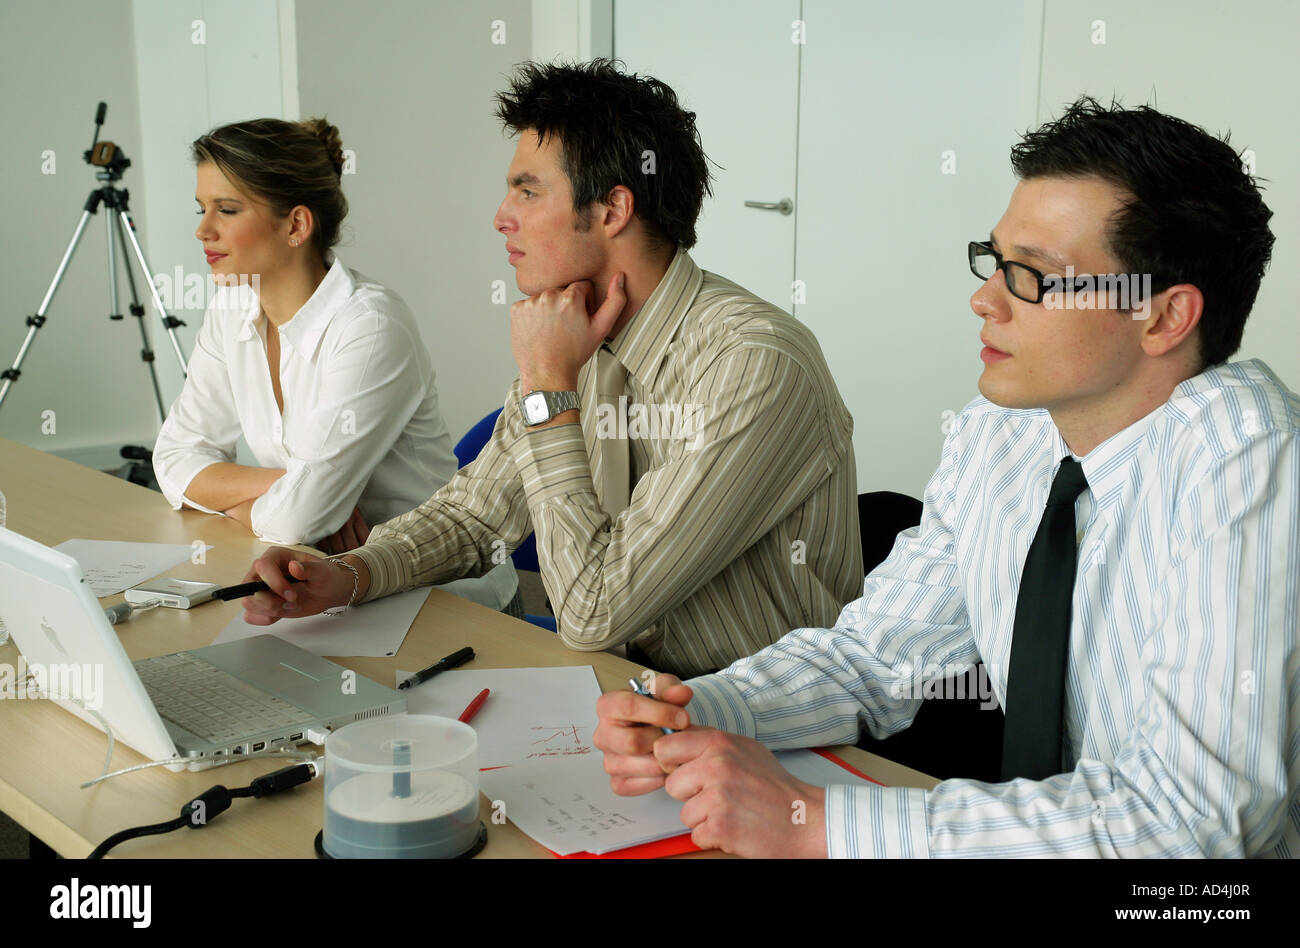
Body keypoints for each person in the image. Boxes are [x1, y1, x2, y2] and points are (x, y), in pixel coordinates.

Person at [595, 97, 1299, 858]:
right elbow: (877, 656)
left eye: (1031, 276)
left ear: (1164, 318)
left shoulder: (1250, 460)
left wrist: (819, 824)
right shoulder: (1003, 429)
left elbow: (1194, 820)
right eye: (995, 260)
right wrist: (704, 707)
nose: (985, 299)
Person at [239, 60, 863, 677]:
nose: (501, 215)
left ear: (614, 210)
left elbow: (595, 610)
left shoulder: (752, 363)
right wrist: (348, 575)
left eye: (528, 191)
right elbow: (473, 515)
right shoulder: (577, 330)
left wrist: (547, 387)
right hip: (627, 696)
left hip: (765, 733)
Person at [154, 117, 518, 612]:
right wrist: (290, 486)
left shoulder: (370, 328)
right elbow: (173, 458)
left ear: (297, 225)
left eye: (227, 209)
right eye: (201, 208)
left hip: (441, 602)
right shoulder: (231, 308)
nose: (202, 230)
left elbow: (296, 522)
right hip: (326, 582)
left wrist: (285, 501)